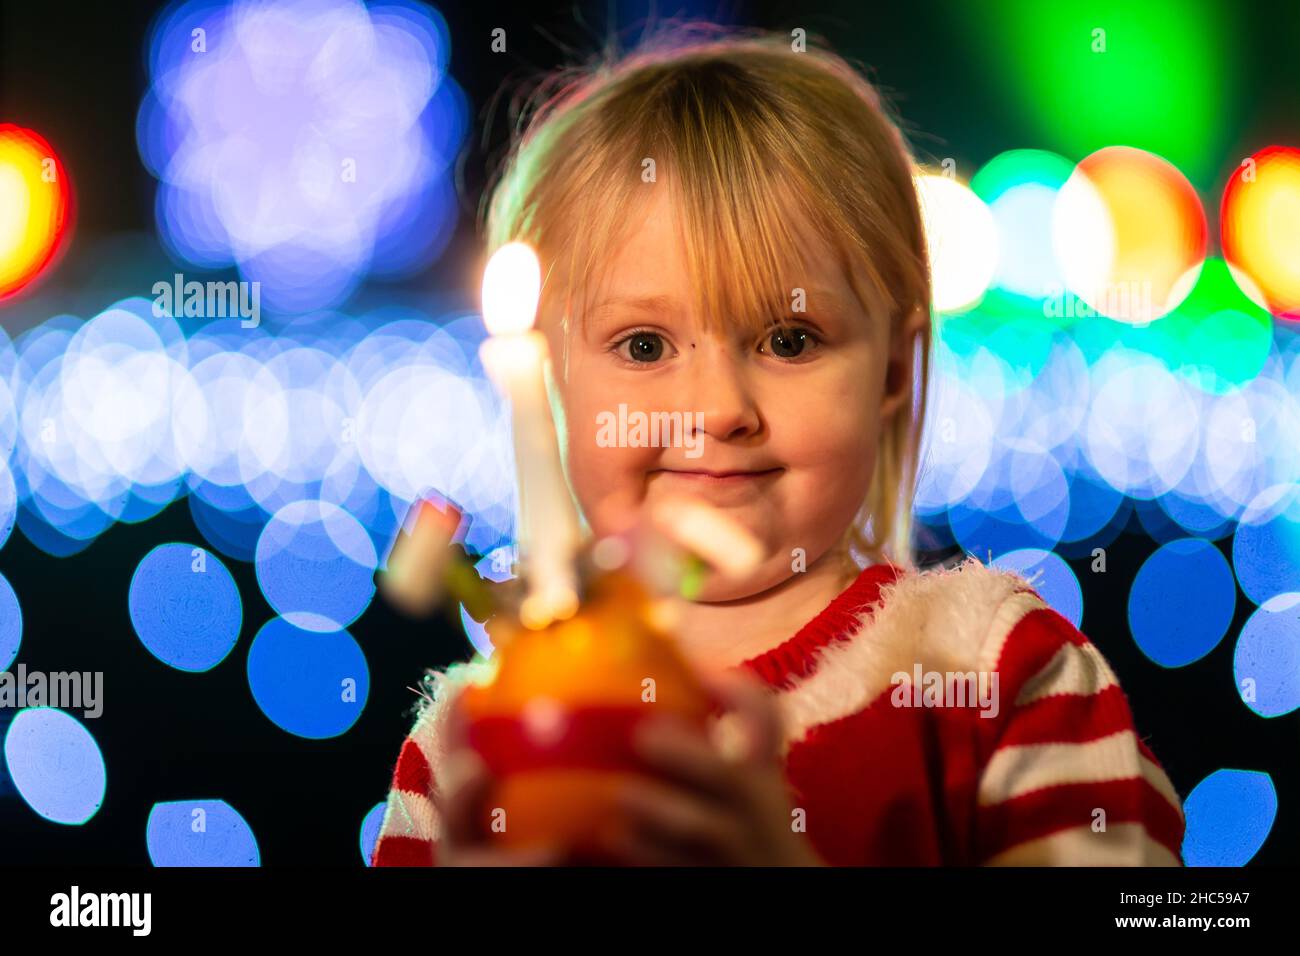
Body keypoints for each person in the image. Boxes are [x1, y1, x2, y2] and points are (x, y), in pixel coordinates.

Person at [371, 25, 1184, 866]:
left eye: (790, 340)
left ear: (893, 375)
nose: (718, 410)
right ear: (550, 383)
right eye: (644, 346)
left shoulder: (1000, 675)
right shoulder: (470, 747)